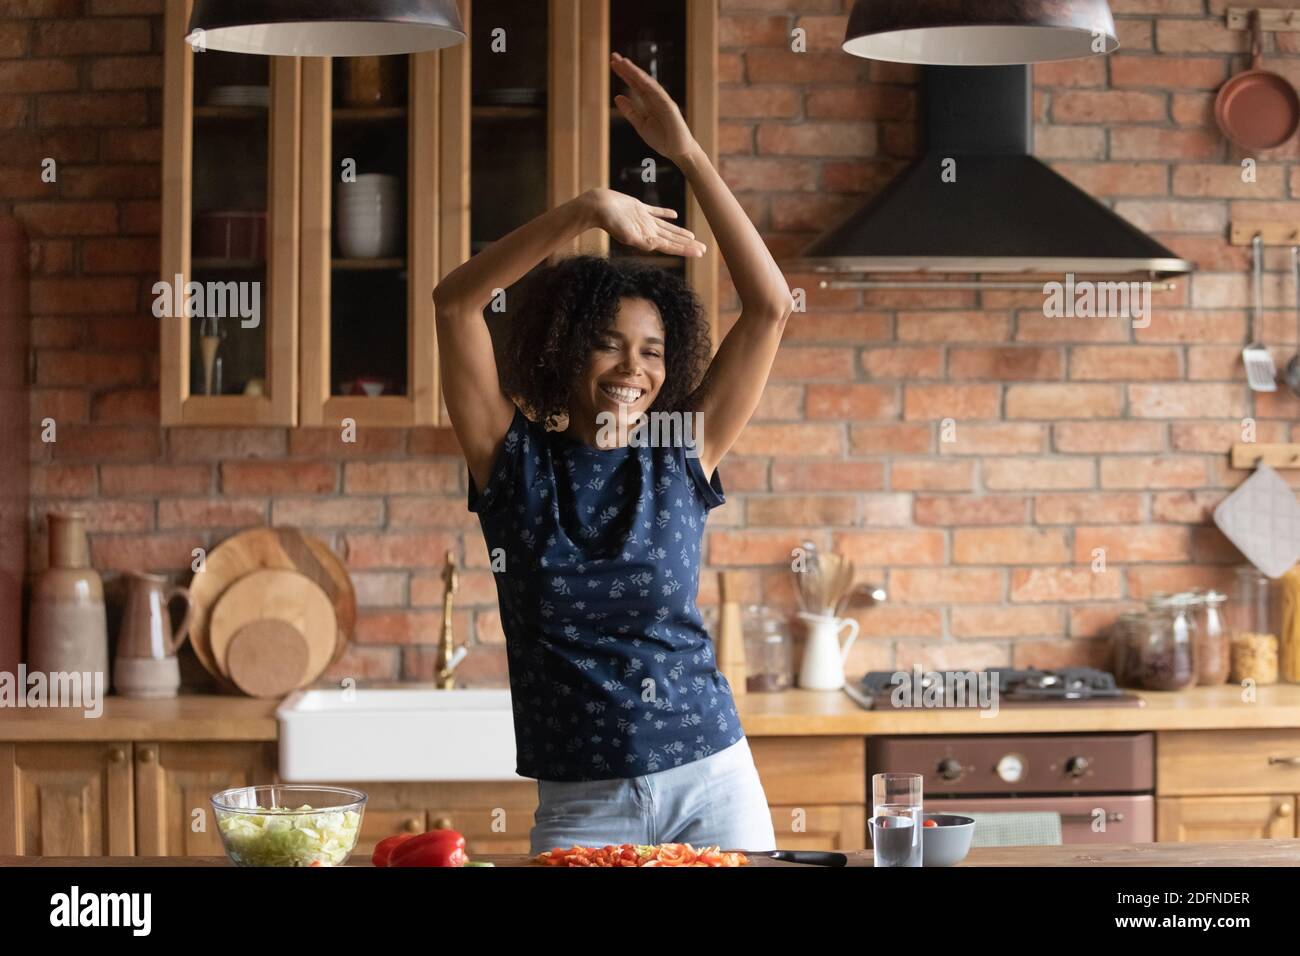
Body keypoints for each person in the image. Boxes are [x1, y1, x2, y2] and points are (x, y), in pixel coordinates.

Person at [433, 52, 793, 855]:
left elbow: (770, 307)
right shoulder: (510, 461)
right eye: (609, 344)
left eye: (653, 352)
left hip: (713, 780)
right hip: (583, 802)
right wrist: (587, 209)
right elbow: (454, 303)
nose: (634, 369)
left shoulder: (681, 452)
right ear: (565, 350)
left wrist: (688, 155)